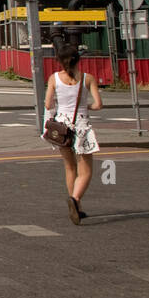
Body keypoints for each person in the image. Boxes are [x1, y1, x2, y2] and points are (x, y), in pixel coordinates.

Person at [44, 45, 103, 225]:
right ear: (78, 60)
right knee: (85, 171)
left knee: (70, 167)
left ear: (59, 61)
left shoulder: (54, 78)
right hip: (81, 125)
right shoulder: (88, 78)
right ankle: (76, 200)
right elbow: (98, 104)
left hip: (62, 128)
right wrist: (86, 107)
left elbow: (48, 104)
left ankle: (77, 205)